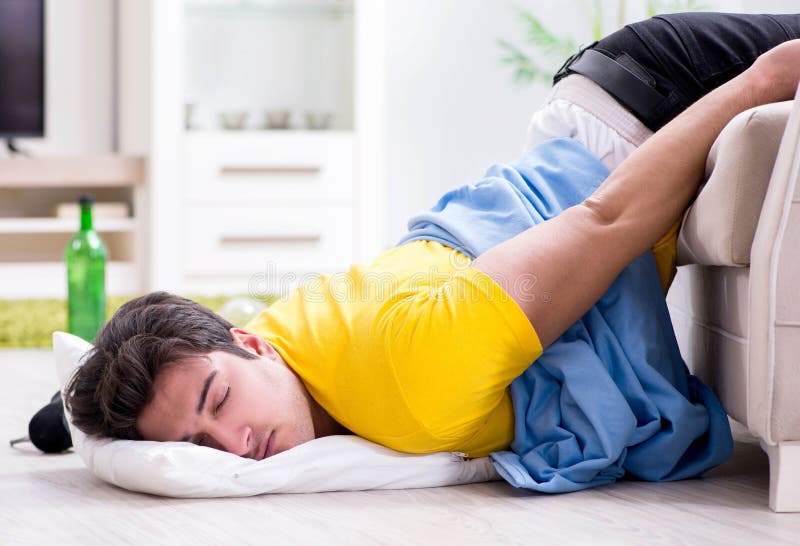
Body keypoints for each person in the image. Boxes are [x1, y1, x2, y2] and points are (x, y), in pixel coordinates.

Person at [65, 14, 800, 468]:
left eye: (217, 402)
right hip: (587, 123)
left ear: (248, 345)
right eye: (196, 447)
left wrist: (761, 81)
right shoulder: (273, 343)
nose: (233, 445)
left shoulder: (417, 371)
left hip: (654, 93)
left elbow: (605, 222)